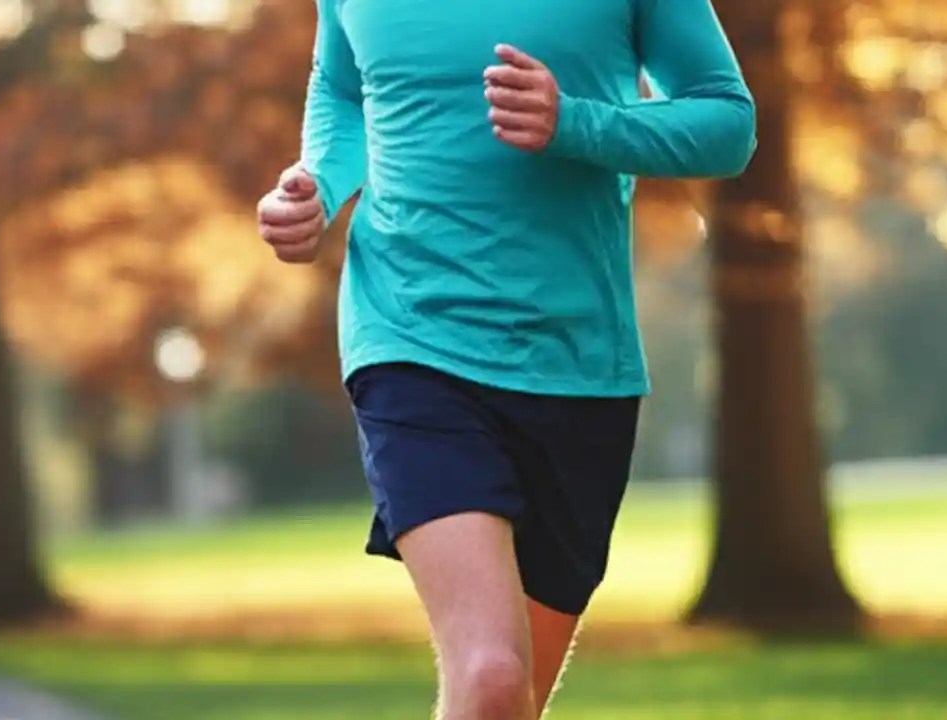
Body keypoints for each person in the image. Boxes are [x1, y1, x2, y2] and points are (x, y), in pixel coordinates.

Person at [256, 1, 755, 717]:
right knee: (490, 676)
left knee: (507, 702)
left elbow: (727, 124)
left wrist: (576, 123)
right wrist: (318, 187)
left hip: (577, 362)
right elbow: (342, 88)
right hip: (410, 338)